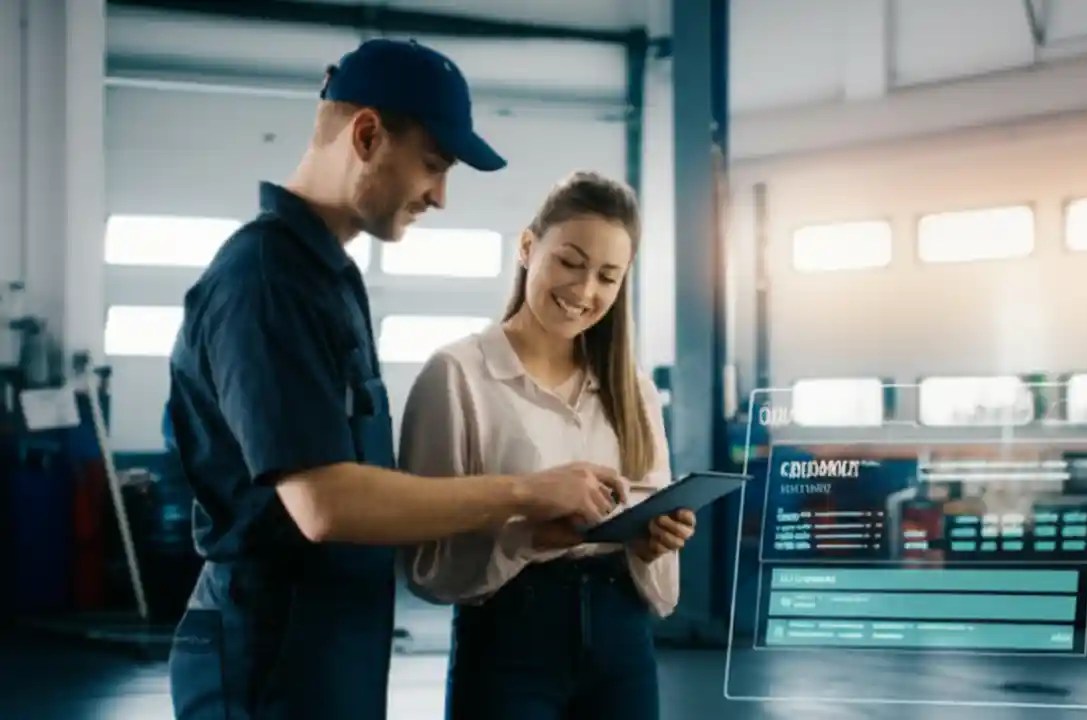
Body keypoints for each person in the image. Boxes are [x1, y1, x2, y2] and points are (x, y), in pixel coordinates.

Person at [164, 40, 628, 720]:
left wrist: (527, 531)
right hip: (267, 653)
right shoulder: (267, 280)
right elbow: (327, 506)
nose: (440, 196)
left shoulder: (328, 278)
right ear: (367, 134)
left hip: (331, 642)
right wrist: (527, 491)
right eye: (434, 166)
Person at [399, 171, 697, 719]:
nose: (585, 292)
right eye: (570, 262)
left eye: (608, 276)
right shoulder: (458, 375)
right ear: (528, 246)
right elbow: (427, 561)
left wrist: (654, 542)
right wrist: (529, 536)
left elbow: (662, 589)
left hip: (622, 638)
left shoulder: (632, 389)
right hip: (510, 640)